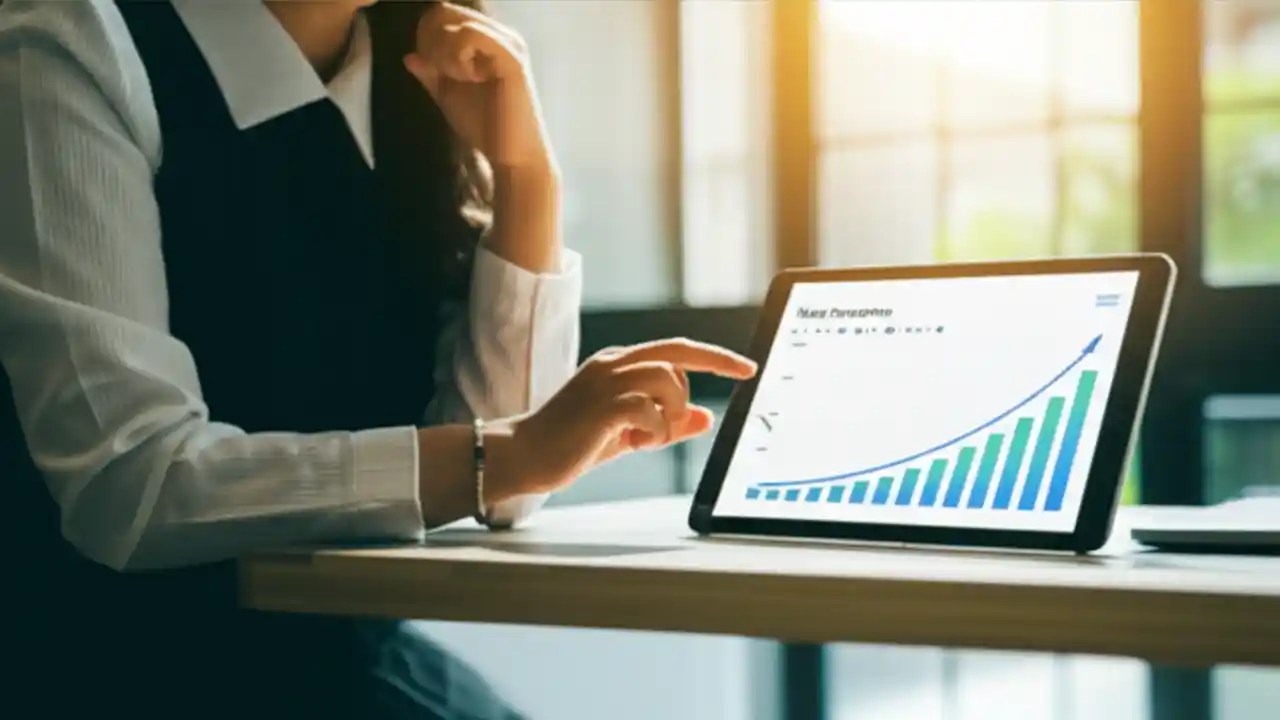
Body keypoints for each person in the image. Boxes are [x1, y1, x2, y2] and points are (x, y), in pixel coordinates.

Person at [0, 1, 757, 717]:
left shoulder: (415, 67)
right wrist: (514, 453)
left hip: (338, 657)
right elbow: (130, 485)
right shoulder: (78, 36)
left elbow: (503, 489)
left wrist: (528, 179)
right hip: (130, 672)